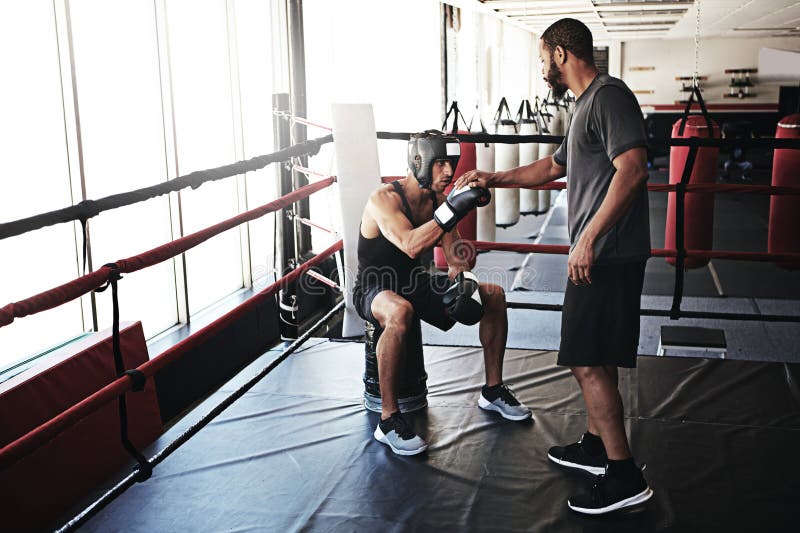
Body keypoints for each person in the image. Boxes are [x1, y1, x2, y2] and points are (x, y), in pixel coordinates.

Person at [455, 18, 652, 514]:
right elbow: (552, 167)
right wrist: (494, 177)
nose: (541, 66)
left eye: (543, 57)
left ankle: (624, 473)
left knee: (585, 359)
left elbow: (632, 168)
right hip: (599, 253)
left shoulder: (608, 97)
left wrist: (587, 237)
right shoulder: (585, 104)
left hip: (607, 255)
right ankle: (594, 445)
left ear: (561, 54)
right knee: (596, 354)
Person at [354, 130, 531, 456]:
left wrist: (464, 279)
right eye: (440, 164)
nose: (449, 172)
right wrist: (454, 208)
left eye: (451, 163)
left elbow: (454, 259)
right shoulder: (384, 199)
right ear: (418, 161)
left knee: (493, 295)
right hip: (374, 285)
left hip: (416, 283)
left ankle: (493, 389)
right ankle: (389, 420)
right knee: (399, 311)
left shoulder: (437, 202)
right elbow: (410, 244)